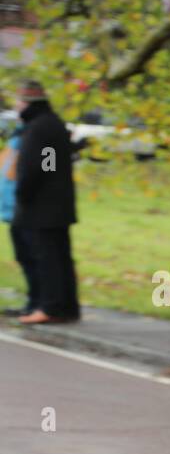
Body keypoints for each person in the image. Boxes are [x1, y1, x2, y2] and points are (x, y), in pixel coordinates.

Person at [13, 80, 78, 325]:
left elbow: (39, 167)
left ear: (27, 103)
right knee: (60, 257)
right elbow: (48, 163)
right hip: (55, 204)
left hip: (42, 207)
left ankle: (50, 306)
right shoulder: (52, 124)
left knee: (47, 257)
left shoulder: (40, 128)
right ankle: (66, 306)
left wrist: (24, 193)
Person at [0, 118, 41, 319]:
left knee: (33, 258)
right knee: (24, 257)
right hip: (12, 209)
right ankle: (33, 302)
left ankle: (38, 303)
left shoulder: (39, 135)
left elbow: (47, 169)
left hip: (27, 210)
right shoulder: (16, 137)